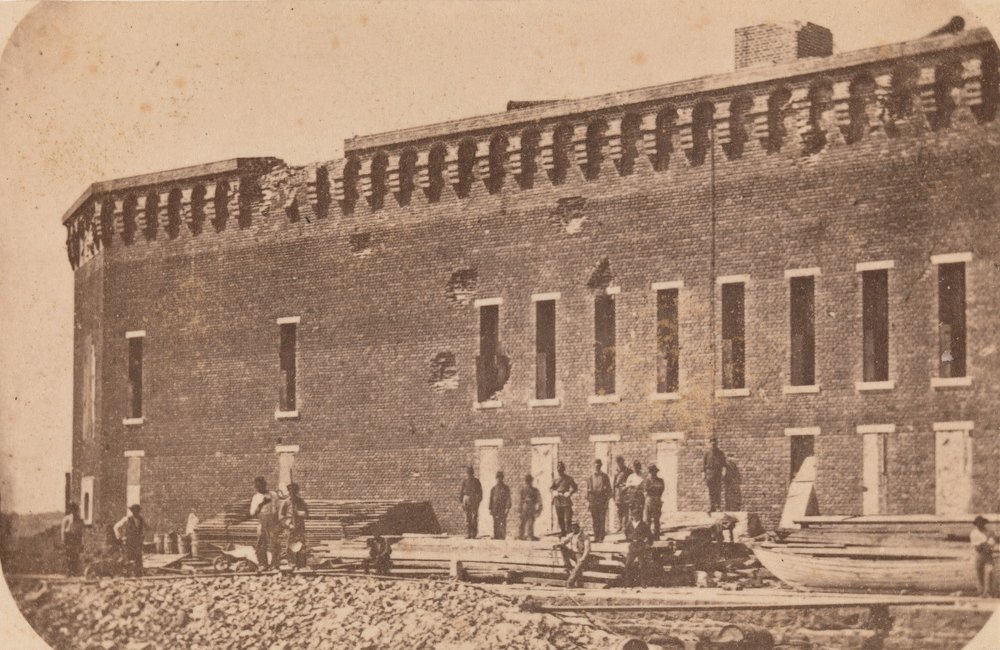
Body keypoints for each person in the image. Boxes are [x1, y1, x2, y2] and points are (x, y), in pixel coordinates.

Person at [250, 476, 281, 571]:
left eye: (261, 485)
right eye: (257, 486)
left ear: (265, 485)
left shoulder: (273, 495)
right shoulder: (256, 497)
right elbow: (252, 513)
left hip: (273, 522)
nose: (259, 488)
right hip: (262, 522)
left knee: (274, 543)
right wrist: (261, 503)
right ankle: (263, 564)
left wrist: (278, 523)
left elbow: (278, 509)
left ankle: (275, 564)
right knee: (261, 543)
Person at [279, 482, 309, 570]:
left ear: (296, 491)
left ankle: (301, 564)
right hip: (290, 527)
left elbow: (306, 513)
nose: (292, 492)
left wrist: (298, 513)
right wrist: (288, 524)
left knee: (301, 545)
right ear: (288, 491)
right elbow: (280, 516)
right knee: (290, 545)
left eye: (294, 490)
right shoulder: (286, 502)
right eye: (290, 491)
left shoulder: (301, 501)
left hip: (299, 526)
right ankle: (291, 563)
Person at [623, 508, 655, 586]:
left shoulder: (643, 525)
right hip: (632, 546)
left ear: (639, 516)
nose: (635, 517)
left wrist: (648, 544)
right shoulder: (629, 524)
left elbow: (650, 535)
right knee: (628, 564)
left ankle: (643, 583)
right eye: (633, 515)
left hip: (641, 545)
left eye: (636, 515)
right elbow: (626, 532)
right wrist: (629, 539)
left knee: (642, 564)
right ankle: (628, 583)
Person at [554, 522, 591, 588]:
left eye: (575, 527)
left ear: (578, 527)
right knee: (562, 547)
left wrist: (583, 558)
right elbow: (564, 541)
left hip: (581, 555)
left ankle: (569, 582)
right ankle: (568, 566)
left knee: (577, 568)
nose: (573, 528)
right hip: (574, 554)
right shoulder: (572, 535)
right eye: (572, 527)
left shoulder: (585, 536)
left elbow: (587, 549)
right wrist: (558, 544)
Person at [113, 504, 145, 577]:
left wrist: (143, 536)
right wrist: (120, 537)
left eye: (137, 511)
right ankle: (127, 576)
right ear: (132, 511)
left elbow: (146, 528)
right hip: (129, 542)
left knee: (138, 559)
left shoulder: (141, 519)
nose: (136, 512)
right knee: (128, 559)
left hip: (138, 542)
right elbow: (116, 527)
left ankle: (138, 576)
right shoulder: (127, 519)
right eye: (134, 511)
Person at [586, 459, 612, 542]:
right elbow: (587, 490)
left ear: (601, 466)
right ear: (593, 466)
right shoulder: (590, 477)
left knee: (601, 519)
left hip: (602, 499)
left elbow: (609, 490)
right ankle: (596, 537)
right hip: (593, 499)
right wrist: (587, 501)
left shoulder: (605, 476)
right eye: (596, 465)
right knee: (595, 519)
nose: (597, 467)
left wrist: (607, 501)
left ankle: (601, 537)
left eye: (598, 465)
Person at [971, 515, 997, 597]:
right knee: (979, 573)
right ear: (976, 524)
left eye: (981, 523)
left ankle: (989, 592)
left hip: (988, 555)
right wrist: (985, 544)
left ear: (983, 523)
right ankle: (982, 592)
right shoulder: (974, 533)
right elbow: (977, 546)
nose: (980, 524)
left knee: (990, 571)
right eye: (978, 523)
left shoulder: (989, 532)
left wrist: (985, 544)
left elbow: (992, 544)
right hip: (979, 555)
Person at [550, 462, 578, 535]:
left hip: (566, 500)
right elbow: (551, 488)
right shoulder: (556, 479)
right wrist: (554, 492)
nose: (560, 471)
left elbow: (575, 487)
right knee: (560, 517)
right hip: (558, 500)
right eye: (558, 469)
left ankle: (569, 531)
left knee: (568, 517)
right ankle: (563, 531)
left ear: (563, 469)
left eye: (561, 469)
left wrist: (569, 493)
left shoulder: (569, 478)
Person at [703, 437, 728, 513]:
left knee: (717, 490)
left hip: (717, 474)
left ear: (717, 443)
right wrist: (703, 474)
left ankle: (718, 506)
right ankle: (712, 506)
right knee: (711, 491)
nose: (713, 443)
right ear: (710, 443)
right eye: (711, 442)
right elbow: (703, 465)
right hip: (709, 474)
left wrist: (724, 472)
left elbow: (724, 464)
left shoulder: (720, 453)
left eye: (715, 442)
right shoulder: (707, 453)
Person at [61, 502, 85, 577]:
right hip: (69, 538)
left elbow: (81, 531)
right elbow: (63, 530)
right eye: (73, 510)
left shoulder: (80, 520)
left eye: (76, 510)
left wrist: (81, 541)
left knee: (75, 555)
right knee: (69, 555)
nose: (75, 511)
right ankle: (68, 572)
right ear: (71, 510)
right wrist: (64, 540)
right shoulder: (67, 519)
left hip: (76, 538)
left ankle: (74, 572)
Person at [459, 467, 483, 539]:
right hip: (466, 499)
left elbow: (480, 492)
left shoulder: (476, 481)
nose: (469, 475)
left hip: (474, 500)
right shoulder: (465, 482)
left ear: (473, 473)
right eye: (468, 473)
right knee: (467, 517)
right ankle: (468, 533)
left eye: (470, 473)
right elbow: (462, 492)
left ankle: (474, 534)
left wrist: (478, 500)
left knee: (474, 517)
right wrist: (461, 500)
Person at [517, 474, 542, 540]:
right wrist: (519, 511)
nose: (528, 483)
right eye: (527, 481)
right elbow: (520, 501)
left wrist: (538, 511)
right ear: (525, 481)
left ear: (531, 481)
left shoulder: (535, 491)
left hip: (531, 509)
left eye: (529, 481)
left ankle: (529, 536)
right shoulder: (522, 490)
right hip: (524, 508)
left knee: (530, 523)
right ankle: (520, 536)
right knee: (522, 523)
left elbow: (539, 501)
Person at [644, 465, 665, 539]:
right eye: (651, 472)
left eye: (654, 472)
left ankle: (656, 535)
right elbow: (646, 490)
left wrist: (653, 491)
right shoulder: (647, 481)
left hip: (656, 500)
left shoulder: (660, 480)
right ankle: (648, 535)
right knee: (648, 519)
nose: (653, 473)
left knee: (656, 519)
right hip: (649, 501)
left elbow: (661, 490)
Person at [489, 471, 511, 540]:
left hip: (503, 508)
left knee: (502, 522)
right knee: (495, 522)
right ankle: (496, 536)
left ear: (502, 478)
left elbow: (508, 498)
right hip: (495, 508)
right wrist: (490, 508)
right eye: (498, 478)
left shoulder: (506, 488)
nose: (499, 479)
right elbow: (491, 499)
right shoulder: (493, 489)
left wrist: (507, 508)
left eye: (500, 478)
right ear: (496, 478)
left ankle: (502, 536)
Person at [612, 456, 632, 534]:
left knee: (625, 510)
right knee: (619, 511)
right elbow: (614, 484)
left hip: (626, 493)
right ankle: (620, 525)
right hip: (618, 494)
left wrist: (625, 485)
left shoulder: (628, 471)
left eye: (620, 462)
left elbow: (631, 481)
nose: (619, 464)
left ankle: (625, 526)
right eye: (618, 462)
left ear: (623, 462)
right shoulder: (616, 472)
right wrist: (613, 494)